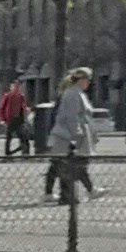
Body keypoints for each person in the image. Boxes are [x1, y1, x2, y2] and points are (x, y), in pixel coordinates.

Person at [43, 67, 99, 202]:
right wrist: (77, 135)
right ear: (81, 80)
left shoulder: (76, 93)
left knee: (62, 165)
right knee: (72, 165)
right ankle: (83, 192)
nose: (89, 83)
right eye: (87, 80)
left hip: (69, 136)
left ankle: (63, 195)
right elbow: (72, 117)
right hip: (68, 137)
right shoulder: (73, 94)